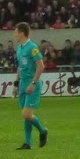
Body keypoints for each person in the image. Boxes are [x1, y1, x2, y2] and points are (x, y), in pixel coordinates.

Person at [14, 22, 49, 150]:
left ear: (22, 33)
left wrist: (33, 83)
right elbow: (20, 66)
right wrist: (16, 83)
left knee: (26, 114)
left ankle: (42, 130)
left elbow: (40, 66)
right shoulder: (20, 48)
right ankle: (27, 143)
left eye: (16, 32)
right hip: (23, 83)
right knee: (26, 114)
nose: (15, 35)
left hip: (31, 83)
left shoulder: (32, 47)